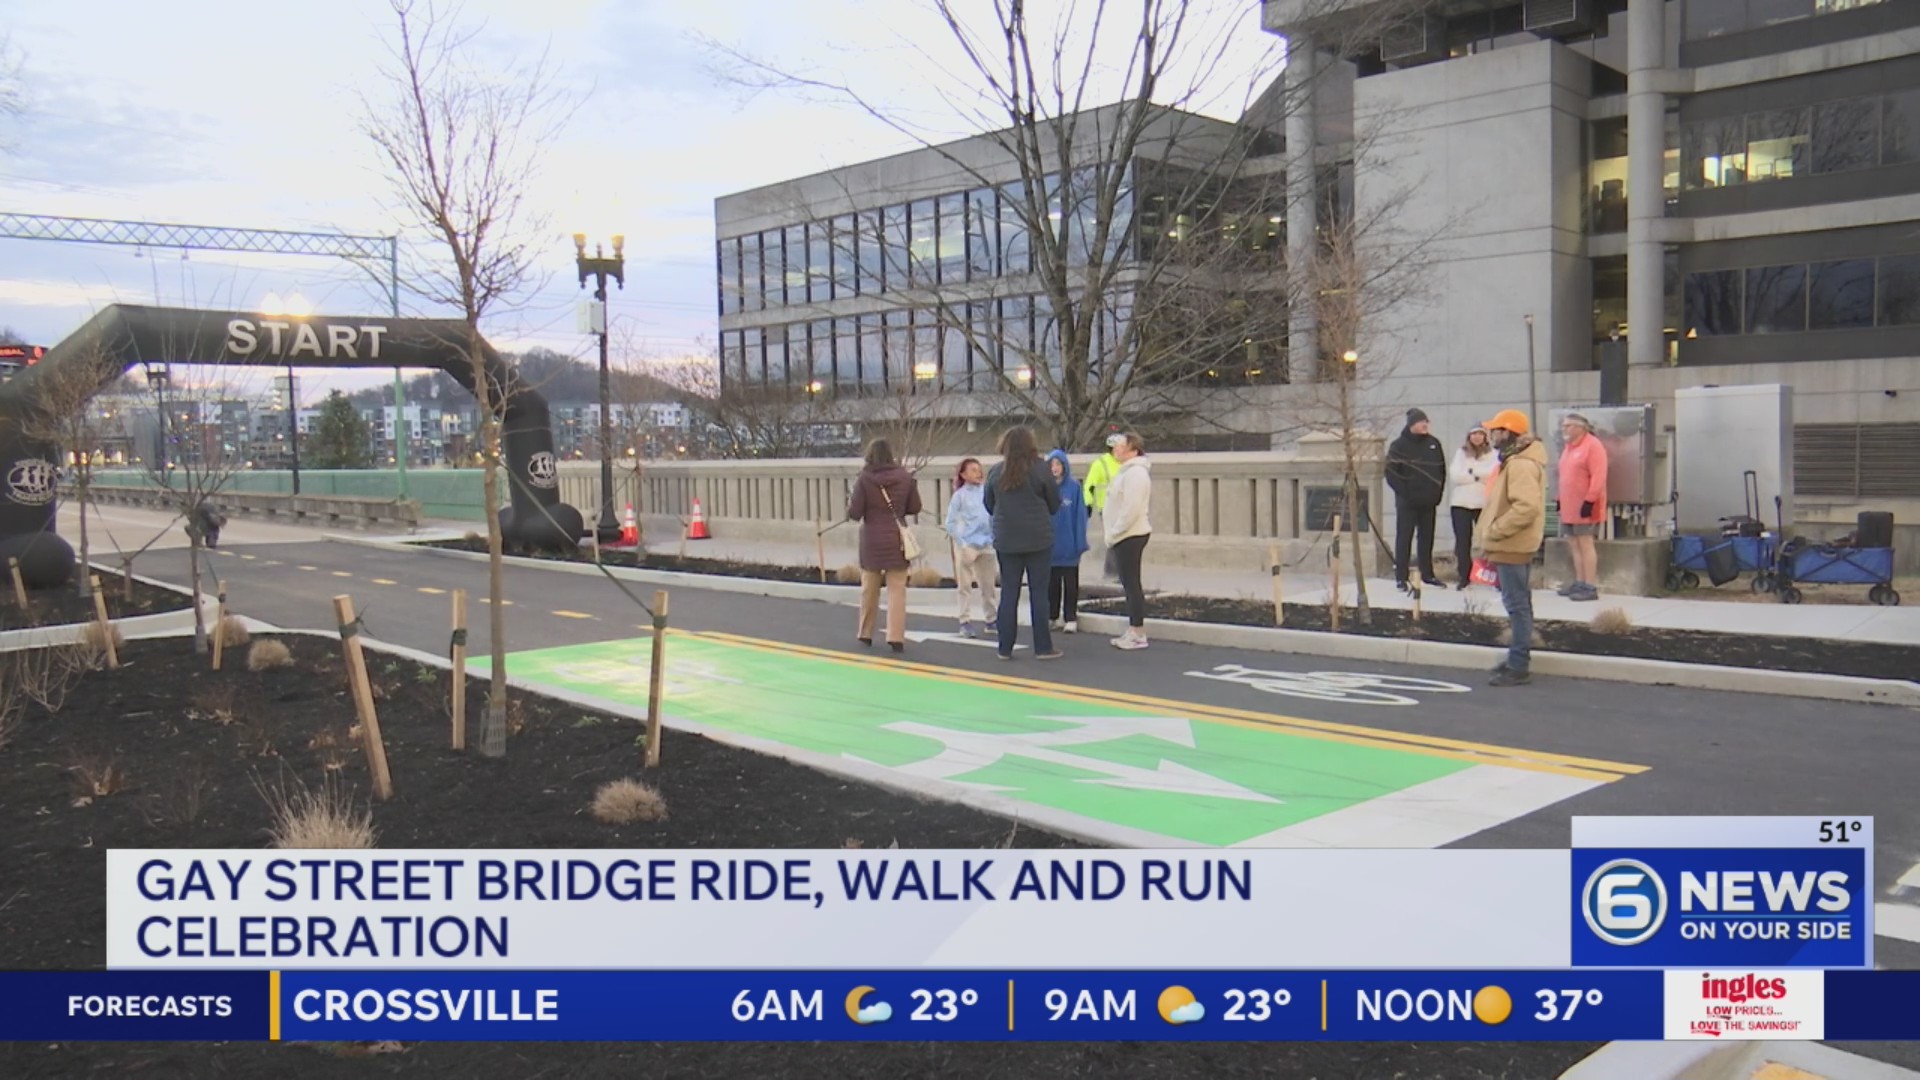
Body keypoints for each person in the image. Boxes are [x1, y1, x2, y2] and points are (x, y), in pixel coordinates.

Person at [1476, 409, 1547, 687]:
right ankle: (1516, 659)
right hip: (1511, 544)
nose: (1492, 435)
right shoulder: (1516, 460)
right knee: (1519, 604)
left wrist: (1495, 531)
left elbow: (1526, 508)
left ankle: (1518, 665)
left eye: (1496, 430)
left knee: (1516, 605)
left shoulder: (1520, 464)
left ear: (1507, 433)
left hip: (1512, 545)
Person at [983, 425, 1062, 660]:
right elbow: (1054, 504)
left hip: (1007, 540)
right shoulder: (1041, 469)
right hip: (1038, 539)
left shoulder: (996, 472)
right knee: (1039, 594)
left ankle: (1004, 647)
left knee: (1009, 593)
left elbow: (989, 504)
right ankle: (1043, 647)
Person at [846, 438, 922, 654]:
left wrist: (850, 503)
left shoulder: (864, 479)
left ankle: (865, 633)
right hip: (896, 539)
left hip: (871, 540)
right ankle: (896, 637)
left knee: (869, 588)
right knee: (897, 590)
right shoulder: (904, 477)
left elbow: (855, 513)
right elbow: (915, 506)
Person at [1385, 407, 1447, 590]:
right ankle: (1401, 577)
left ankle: (1427, 574)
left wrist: (1437, 493)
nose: (1425, 425)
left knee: (1427, 538)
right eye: (1422, 422)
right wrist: (1405, 493)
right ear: (1412, 425)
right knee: (1404, 538)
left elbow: (1440, 471)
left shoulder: (1434, 443)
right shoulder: (1398, 446)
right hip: (1407, 503)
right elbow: (1391, 474)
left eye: (1426, 422)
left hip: (1429, 501)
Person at [1103, 432, 1152, 651]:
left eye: (1121, 446)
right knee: (1128, 583)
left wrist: (1115, 532)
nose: (1116, 449)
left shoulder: (1136, 474)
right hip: (1124, 535)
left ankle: (1138, 632)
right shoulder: (1127, 472)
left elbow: (1130, 509)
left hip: (1129, 535)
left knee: (1132, 584)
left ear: (1133, 449)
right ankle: (1134, 629)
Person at [1556, 412, 1610, 602]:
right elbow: (1564, 476)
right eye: (1563, 426)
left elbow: (1598, 476)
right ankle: (1579, 581)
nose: (1565, 429)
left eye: (1569, 426)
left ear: (1581, 427)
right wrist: (1559, 499)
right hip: (1569, 505)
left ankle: (1590, 585)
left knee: (1585, 543)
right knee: (1573, 543)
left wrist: (1590, 500)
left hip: (1585, 505)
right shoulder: (1568, 448)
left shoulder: (1593, 446)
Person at [942, 457, 997, 638]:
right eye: (973, 470)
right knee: (965, 586)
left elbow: (994, 514)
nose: (978, 473)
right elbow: (949, 522)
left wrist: (994, 536)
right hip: (968, 546)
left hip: (987, 544)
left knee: (988, 586)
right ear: (963, 474)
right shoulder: (960, 496)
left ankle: (991, 619)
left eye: (979, 469)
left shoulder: (987, 491)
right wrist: (961, 540)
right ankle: (964, 621)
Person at [1046, 449, 1089, 634]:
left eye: (1058, 464)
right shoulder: (1045, 487)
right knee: (1051, 584)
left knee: (1070, 584)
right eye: (1052, 465)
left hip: (1069, 545)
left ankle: (1070, 617)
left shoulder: (1073, 487)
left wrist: (1080, 542)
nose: (1055, 468)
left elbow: (1080, 516)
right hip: (1050, 546)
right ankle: (1052, 616)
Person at [1448, 427, 1496, 589]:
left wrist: (1472, 472)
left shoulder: (1493, 454)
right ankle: (1464, 575)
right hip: (1461, 502)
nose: (1477, 437)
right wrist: (1478, 476)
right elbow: (1456, 475)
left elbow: (1493, 474)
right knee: (1463, 541)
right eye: (1474, 434)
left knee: (1488, 540)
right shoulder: (1461, 453)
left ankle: (1491, 573)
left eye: (1480, 434)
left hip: (1483, 502)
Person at [1082, 432, 1124, 515]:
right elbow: (1090, 485)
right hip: (1107, 509)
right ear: (1113, 448)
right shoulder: (1100, 463)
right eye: (1121, 447)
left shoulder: (1126, 462)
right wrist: (1088, 504)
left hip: (1124, 508)